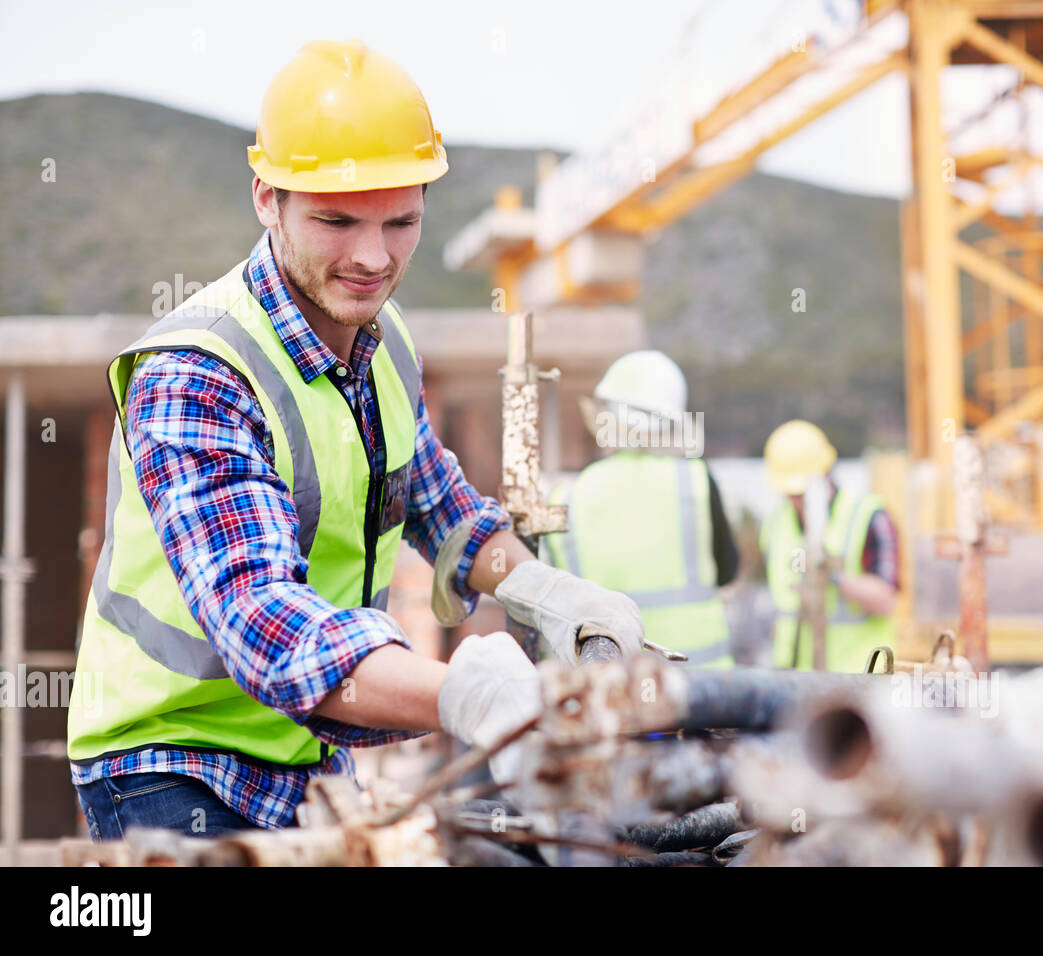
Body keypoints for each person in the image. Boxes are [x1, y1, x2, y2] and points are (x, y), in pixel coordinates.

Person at [66, 39, 646, 839]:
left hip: (302, 756)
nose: (373, 258)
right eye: (337, 221)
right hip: (171, 761)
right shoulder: (195, 376)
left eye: (401, 221)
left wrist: (545, 592)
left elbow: (441, 508)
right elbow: (264, 624)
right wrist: (459, 694)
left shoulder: (381, 336)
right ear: (268, 197)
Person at [542, 350, 739, 667]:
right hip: (702, 691)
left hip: (611, 693)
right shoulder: (695, 479)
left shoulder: (566, 497)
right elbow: (727, 569)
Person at [759, 420, 898, 672]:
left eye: (800, 493)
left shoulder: (867, 516)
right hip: (793, 678)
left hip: (857, 680)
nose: (795, 501)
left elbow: (886, 601)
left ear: (826, 474)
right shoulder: (775, 523)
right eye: (790, 493)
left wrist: (833, 576)